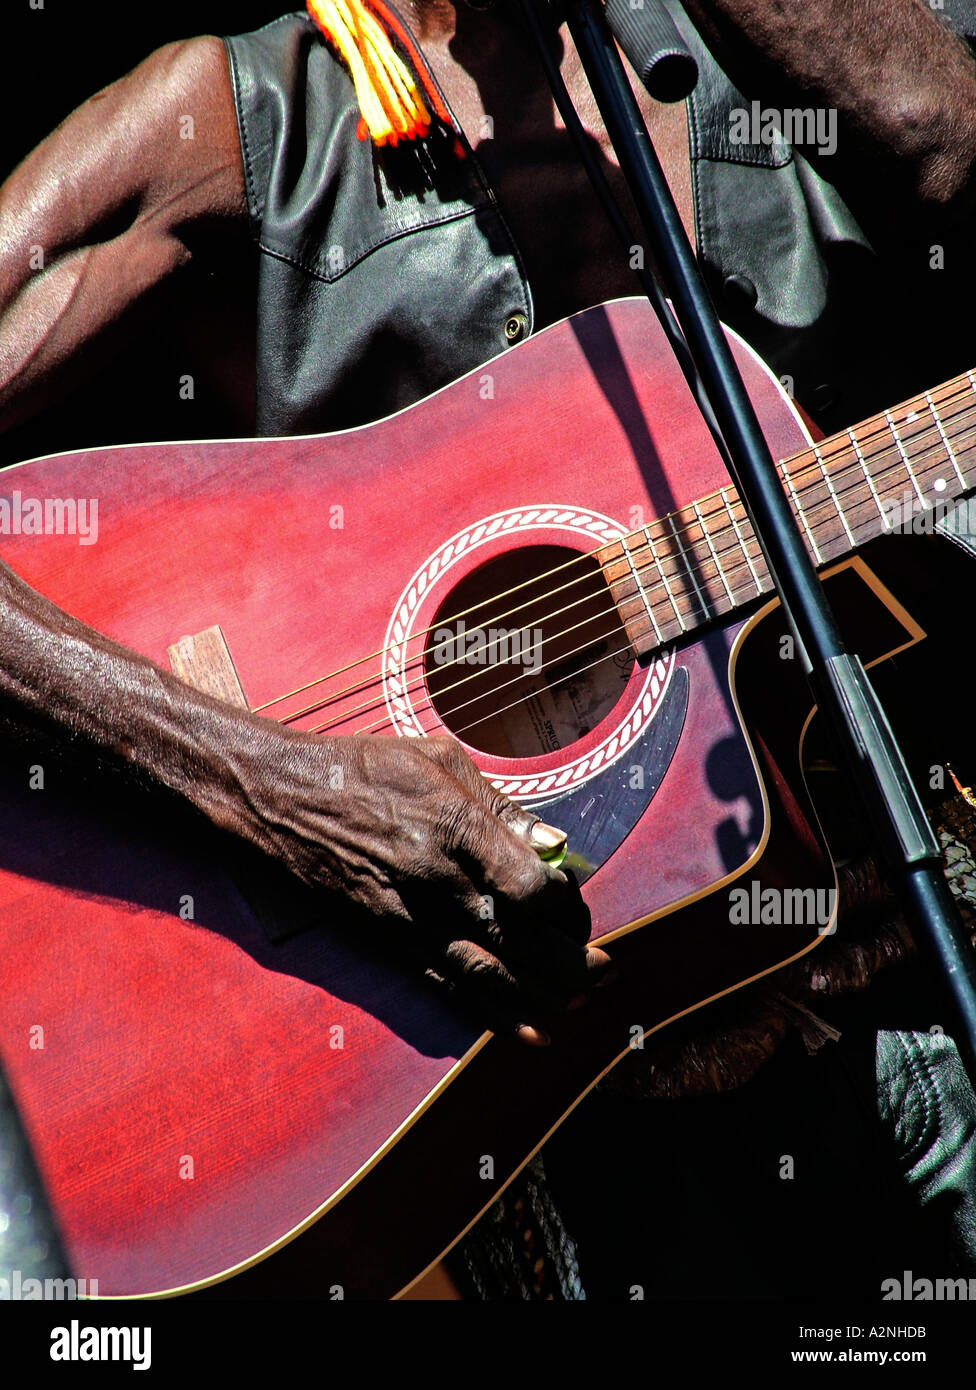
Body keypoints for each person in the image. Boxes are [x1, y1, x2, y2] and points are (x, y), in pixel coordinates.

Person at [1, 0, 976, 1298]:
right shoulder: (249, 117)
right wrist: (263, 782)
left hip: (920, 980)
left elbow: (941, 137)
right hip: (554, 1143)